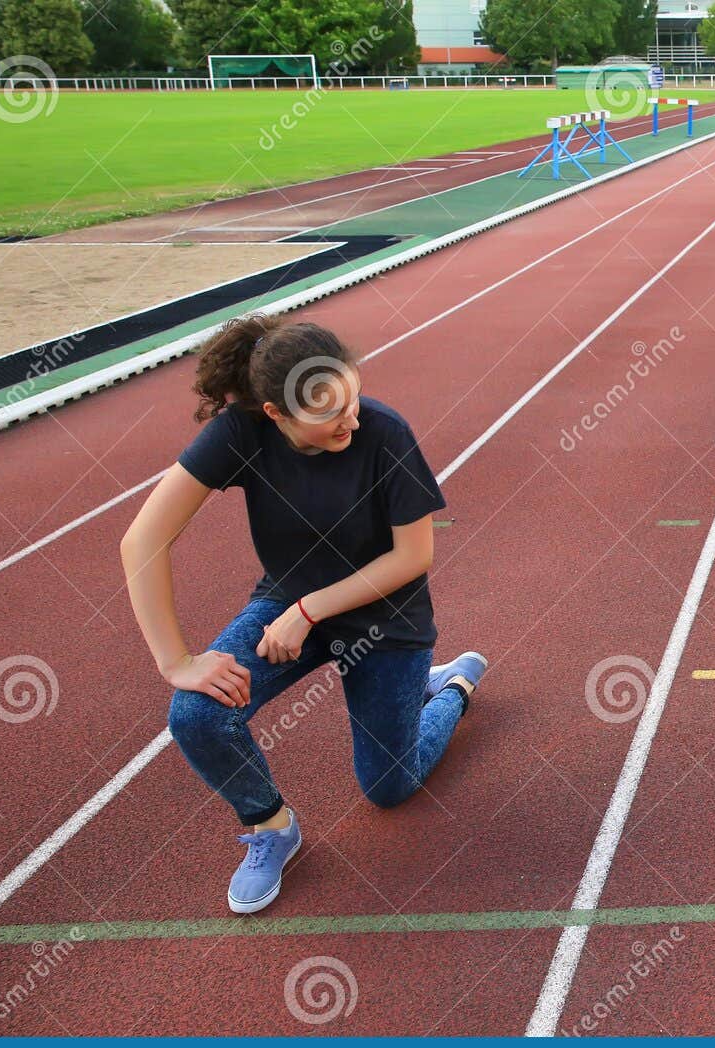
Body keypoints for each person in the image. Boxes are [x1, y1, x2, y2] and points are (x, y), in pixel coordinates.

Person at [120, 313, 488, 914]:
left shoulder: (385, 433)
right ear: (276, 416)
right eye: (329, 411)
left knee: (389, 788)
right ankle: (271, 828)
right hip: (285, 603)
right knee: (196, 714)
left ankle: (448, 689)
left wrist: (308, 611)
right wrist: (176, 660)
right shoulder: (239, 433)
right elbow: (141, 542)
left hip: (384, 620)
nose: (351, 418)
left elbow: (413, 555)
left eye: (353, 396)